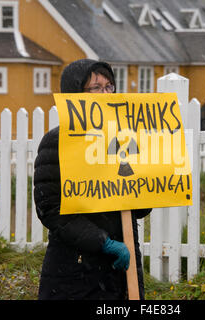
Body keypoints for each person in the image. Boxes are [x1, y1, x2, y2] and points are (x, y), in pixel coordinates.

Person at [33, 59, 152, 300]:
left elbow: (139, 208)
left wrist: (147, 180)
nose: (106, 93)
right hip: (74, 271)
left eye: (109, 86)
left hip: (121, 272)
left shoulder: (122, 139)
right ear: (75, 94)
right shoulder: (57, 142)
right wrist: (103, 242)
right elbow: (51, 209)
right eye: (96, 88)